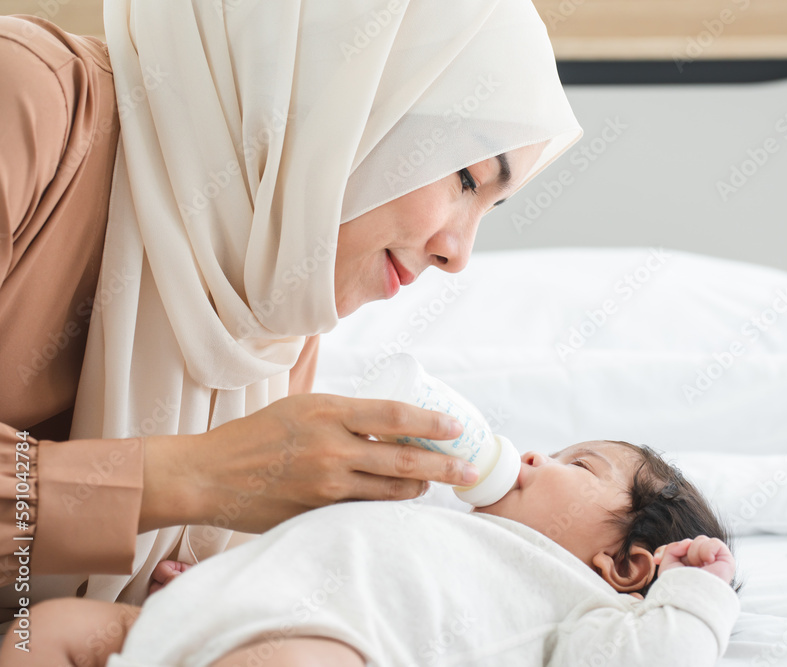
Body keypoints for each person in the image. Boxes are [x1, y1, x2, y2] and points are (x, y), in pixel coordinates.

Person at [0, 0, 582, 620]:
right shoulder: (31, 100)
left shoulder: (277, 311)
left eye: (491, 209)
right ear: (344, 91)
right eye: (465, 178)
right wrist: (195, 476)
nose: (458, 254)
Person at [0, 440, 744, 666]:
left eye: (577, 466)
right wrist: (217, 589)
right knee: (56, 624)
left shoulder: (590, 609)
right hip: (216, 626)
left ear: (624, 564)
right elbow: (322, 558)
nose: (531, 456)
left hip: (340, 651)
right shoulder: (433, 518)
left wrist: (700, 589)